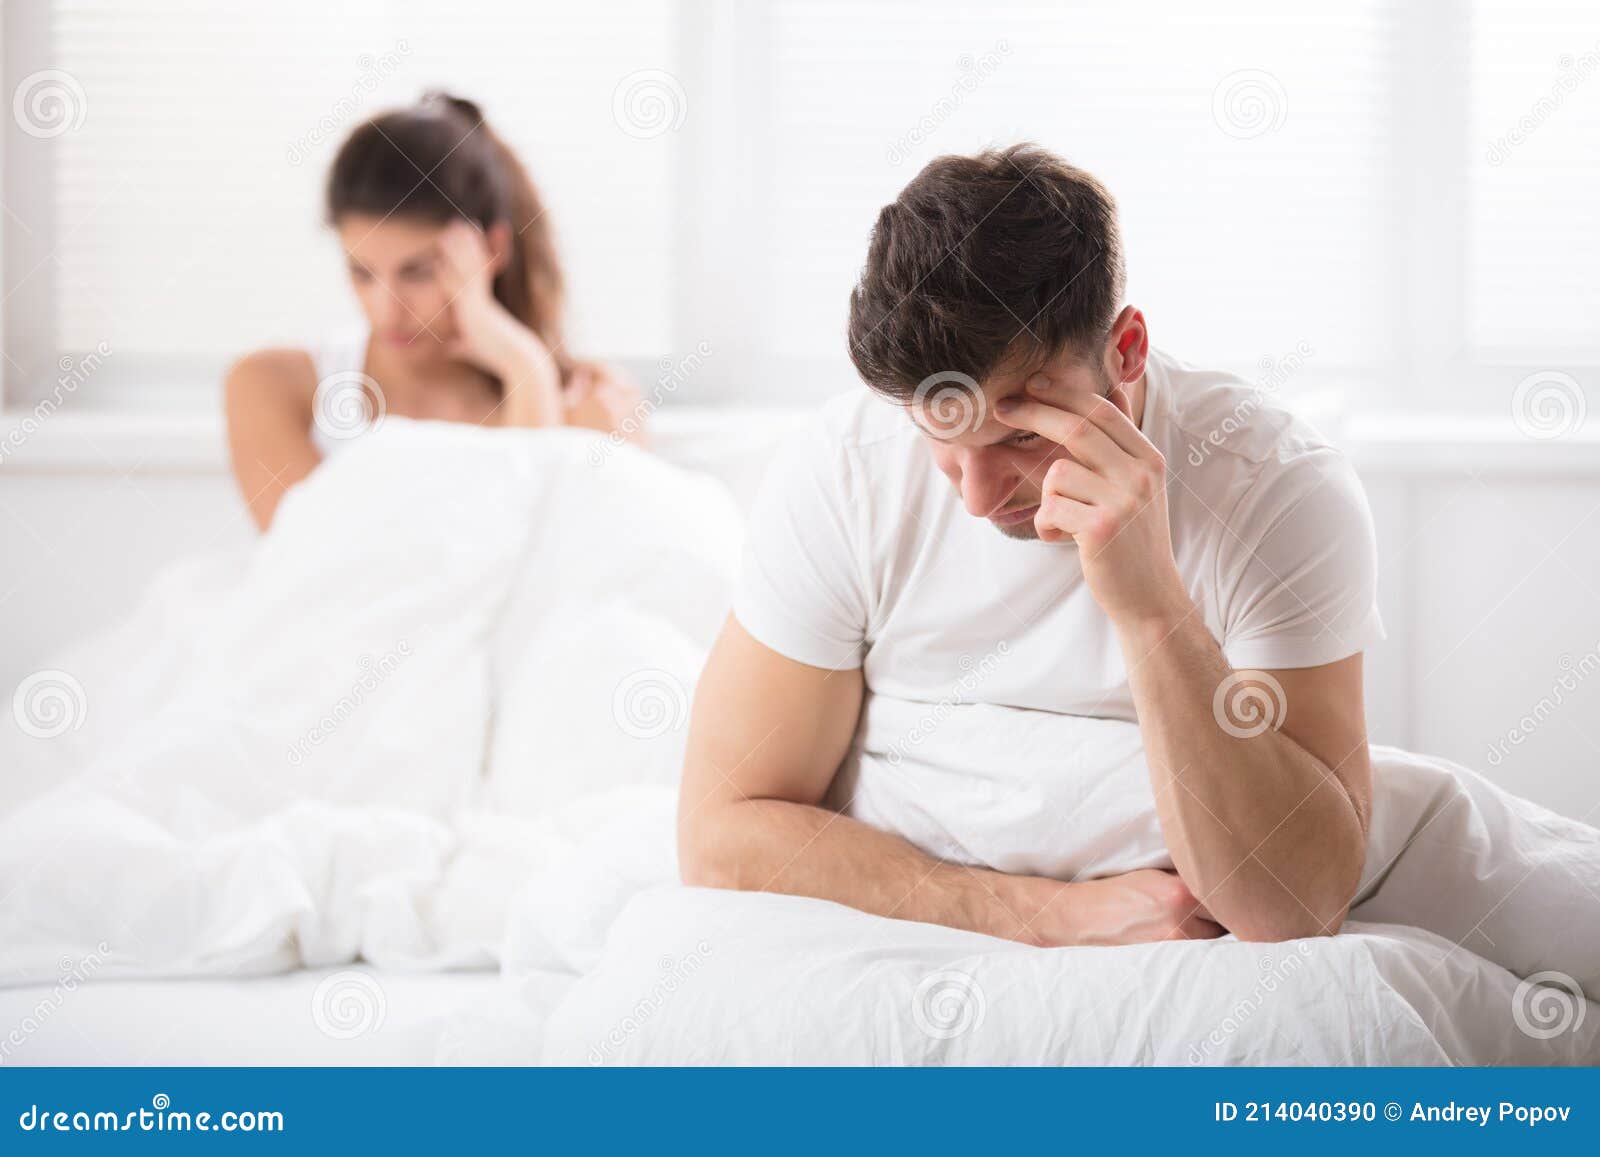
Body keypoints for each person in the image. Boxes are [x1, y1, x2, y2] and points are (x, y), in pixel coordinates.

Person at [678, 143, 1385, 946]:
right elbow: (720, 836)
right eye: (944, 438)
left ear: (1125, 350)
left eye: (1020, 434)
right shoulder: (847, 468)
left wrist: (1153, 610)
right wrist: (1045, 913)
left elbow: (1295, 905)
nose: (979, 499)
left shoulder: (1276, 487)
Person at [225, 92, 639, 530]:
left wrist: (527, 369)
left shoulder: (589, 403)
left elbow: (552, 562)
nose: (387, 311)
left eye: (419, 272)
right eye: (362, 273)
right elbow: (309, 556)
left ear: (491, 250)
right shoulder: (274, 386)